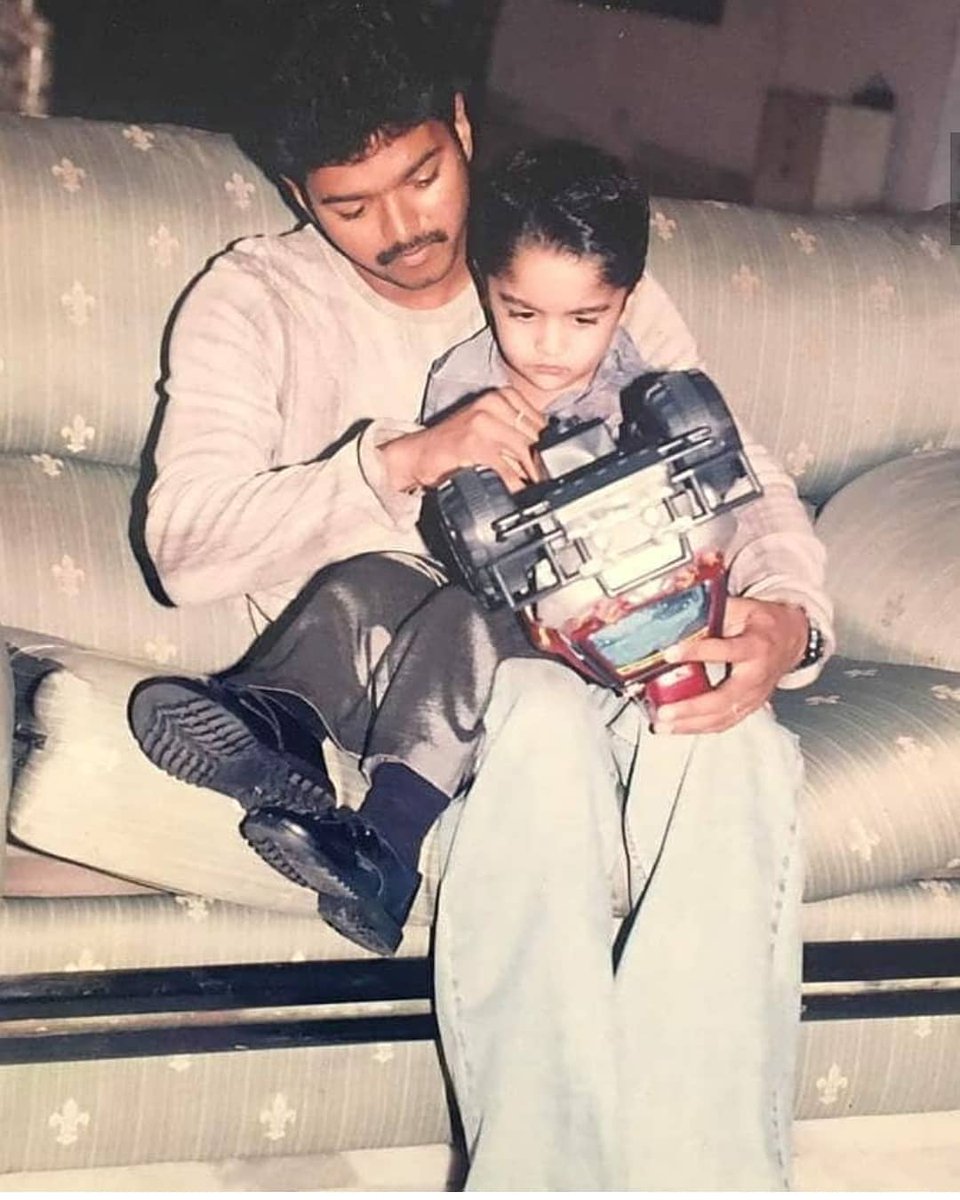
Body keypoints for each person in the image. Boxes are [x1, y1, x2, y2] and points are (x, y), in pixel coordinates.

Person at [128, 1, 832, 1187]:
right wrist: (399, 462)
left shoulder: (559, 262)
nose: (403, 229)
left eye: (423, 177)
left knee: (742, 748)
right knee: (541, 729)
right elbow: (184, 549)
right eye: (350, 205)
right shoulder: (253, 301)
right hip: (421, 692)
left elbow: (734, 469)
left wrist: (789, 620)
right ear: (297, 193)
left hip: (624, 637)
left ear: (462, 129)